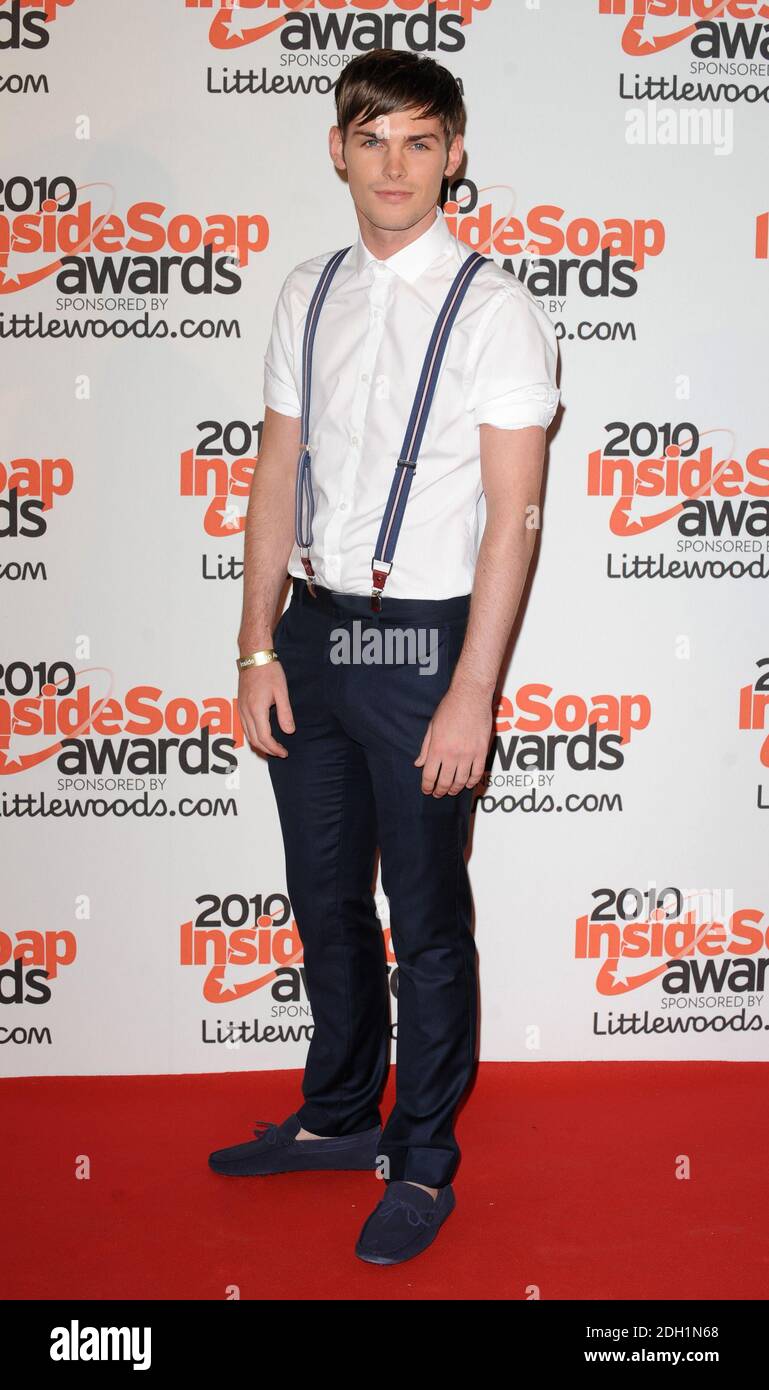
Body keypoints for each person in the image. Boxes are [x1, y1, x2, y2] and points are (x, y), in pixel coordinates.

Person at [209, 47, 560, 1267]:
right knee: (323, 900)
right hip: (310, 632)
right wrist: (257, 644)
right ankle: (340, 1112)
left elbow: (515, 517)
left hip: (421, 642)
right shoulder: (306, 292)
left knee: (426, 917)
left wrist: (472, 691)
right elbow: (273, 473)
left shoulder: (496, 309)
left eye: (419, 141)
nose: (394, 166)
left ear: (454, 154)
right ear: (337, 150)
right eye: (372, 140)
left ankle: (422, 1159)